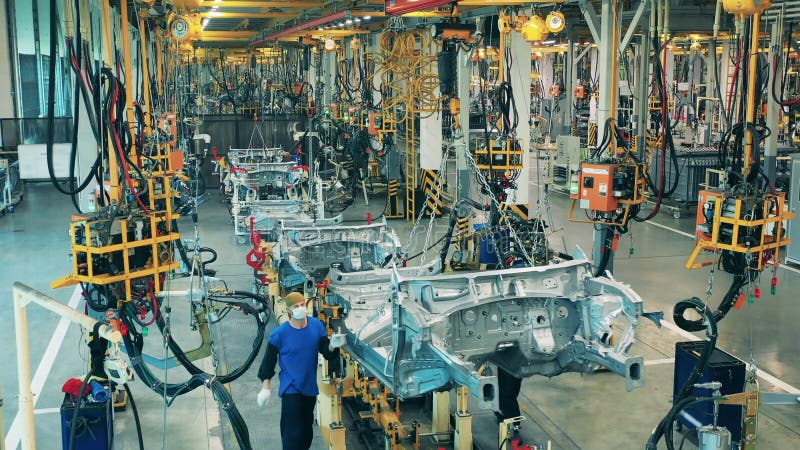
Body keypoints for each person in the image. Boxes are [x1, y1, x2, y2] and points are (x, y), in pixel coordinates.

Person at [257, 291, 346, 450]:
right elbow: (268, 363)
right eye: (296, 306)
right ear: (289, 311)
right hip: (291, 389)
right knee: (293, 434)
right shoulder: (279, 334)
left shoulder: (316, 326)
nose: (301, 308)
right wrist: (265, 387)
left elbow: (325, 351)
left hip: (309, 388)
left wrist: (332, 345)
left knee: (306, 433)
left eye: (303, 304)